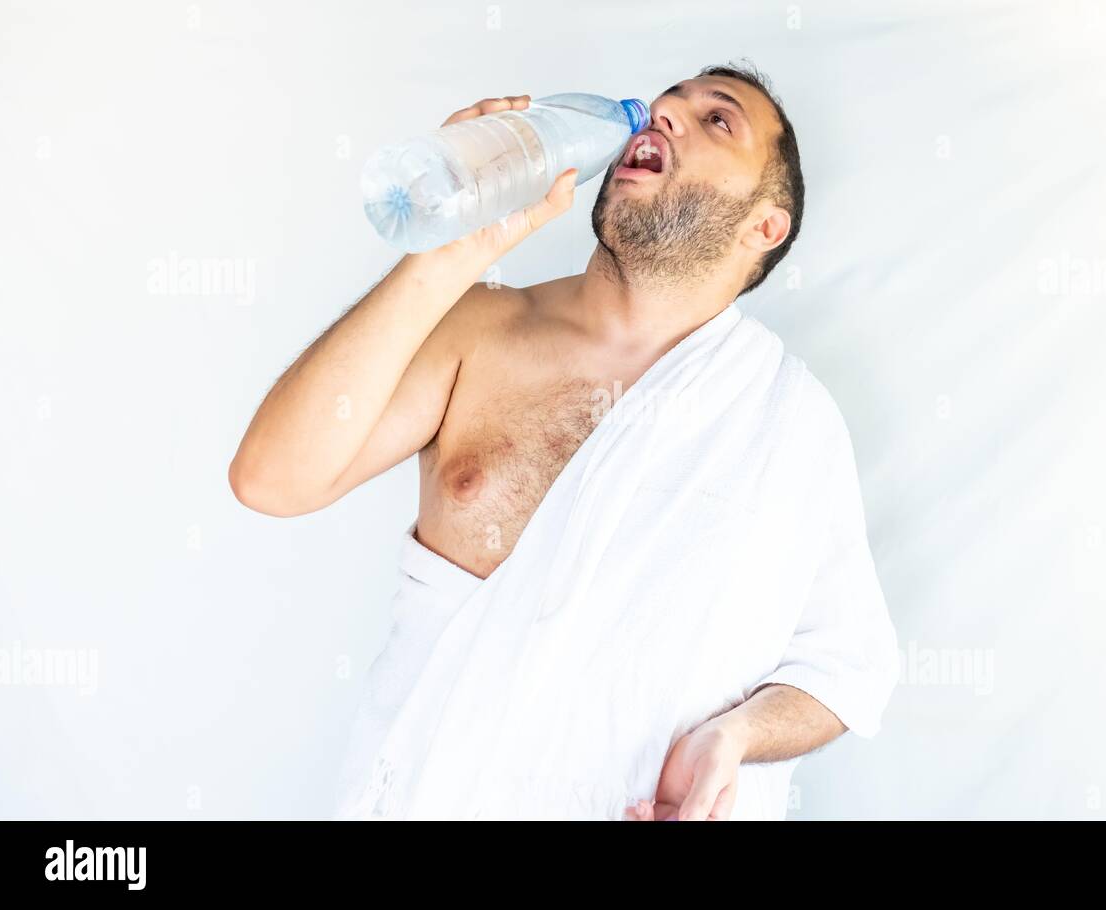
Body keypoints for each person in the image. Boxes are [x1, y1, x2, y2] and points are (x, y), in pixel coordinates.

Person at [229, 63, 900, 821]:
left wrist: (736, 735)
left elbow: (846, 666)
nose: (666, 116)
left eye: (718, 121)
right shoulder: (480, 329)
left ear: (765, 225)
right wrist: (444, 253)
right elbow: (271, 478)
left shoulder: (788, 417)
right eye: (666, 104)